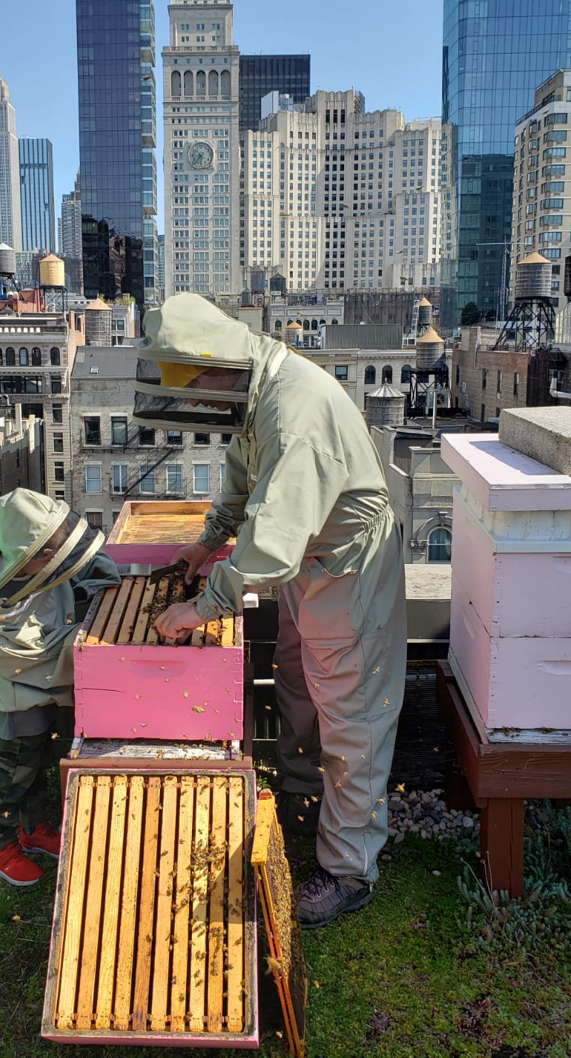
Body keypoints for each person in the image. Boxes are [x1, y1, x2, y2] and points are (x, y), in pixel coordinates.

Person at [135, 293, 407, 928]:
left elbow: (270, 546)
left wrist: (201, 608)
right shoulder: (256, 390)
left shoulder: (296, 412)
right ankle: (302, 794)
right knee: (296, 683)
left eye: (200, 393)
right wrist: (203, 544)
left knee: (352, 716)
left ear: (215, 367)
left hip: (345, 568)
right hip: (308, 565)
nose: (201, 408)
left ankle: (349, 870)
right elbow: (240, 480)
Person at [0, 489, 120, 887]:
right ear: (27, 555)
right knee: (11, 774)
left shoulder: (41, 565)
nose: (56, 553)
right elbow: (32, 655)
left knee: (35, 765)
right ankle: (0, 849)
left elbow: (81, 562)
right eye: (48, 548)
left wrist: (105, 577)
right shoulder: (3, 603)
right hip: (14, 700)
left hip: (40, 693)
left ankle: (33, 829)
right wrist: (89, 638)